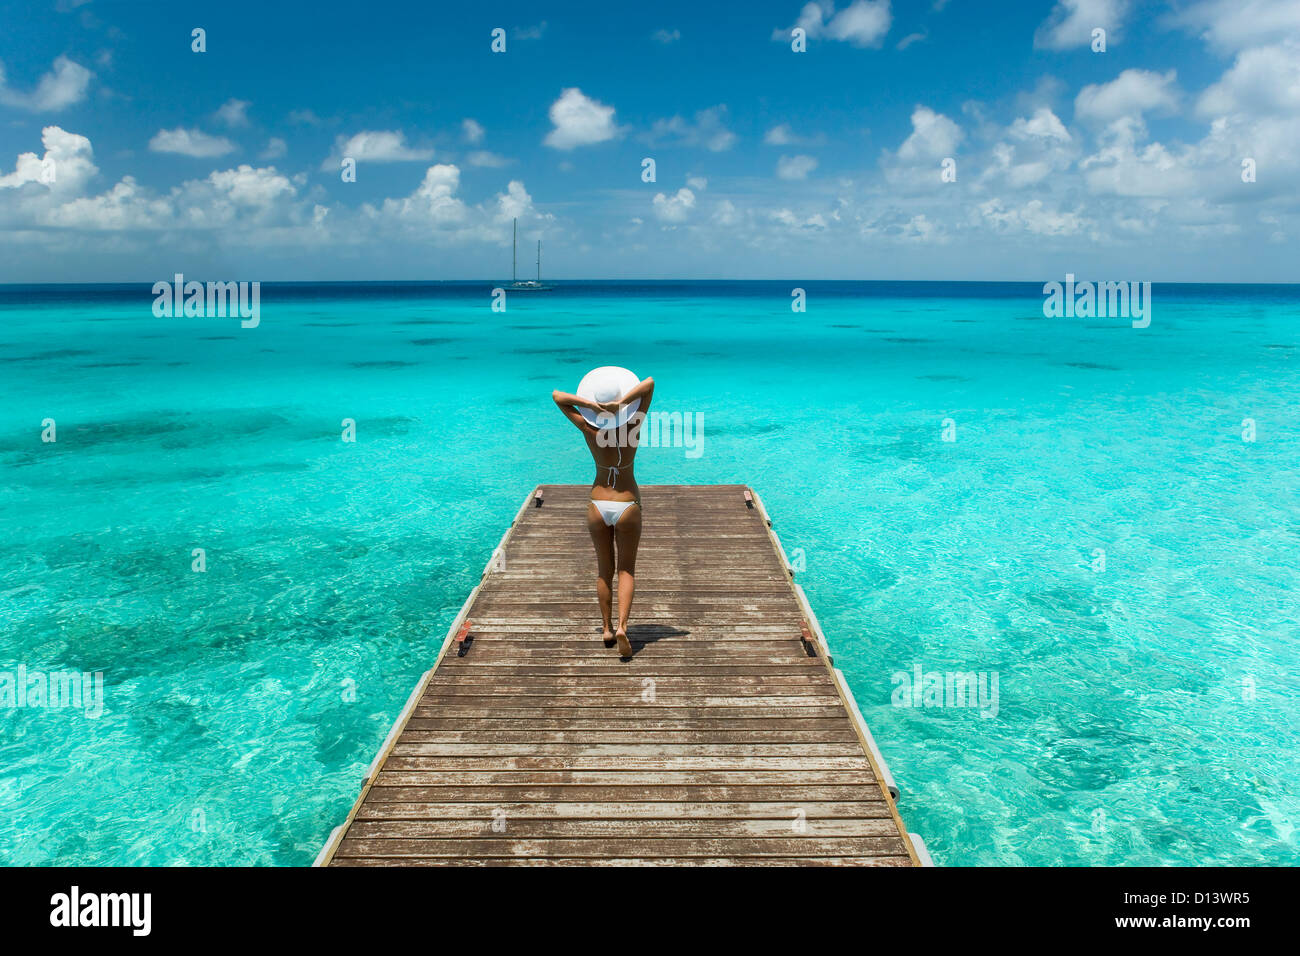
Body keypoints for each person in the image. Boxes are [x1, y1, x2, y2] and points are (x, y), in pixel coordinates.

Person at [552, 367, 655, 659]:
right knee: (626, 570)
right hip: (627, 503)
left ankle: (607, 629)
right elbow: (649, 384)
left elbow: (558, 396)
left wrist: (590, 406)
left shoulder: (589, 429)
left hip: (598, 504)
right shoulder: (633, 424)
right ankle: (624, 626)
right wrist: (619, 405)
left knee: (604, 570)